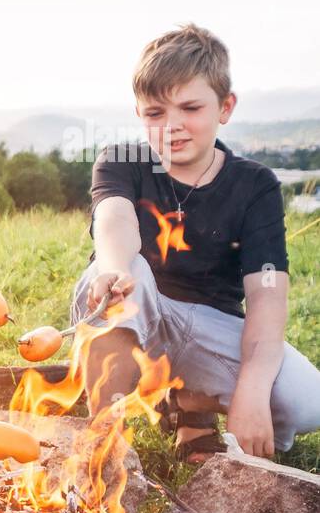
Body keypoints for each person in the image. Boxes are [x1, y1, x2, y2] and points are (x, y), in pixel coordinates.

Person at [72, 23, 320, 461]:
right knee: (131, 274)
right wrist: (114, 265)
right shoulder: (123, 160)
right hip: (137, 316)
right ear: (138, 114)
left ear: (225, 107)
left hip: (208, 328)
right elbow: (115, 217)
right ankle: (104, 439)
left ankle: (188, 405)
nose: (172, 126)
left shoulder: (254, 183)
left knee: (306, 402)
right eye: (155, 113)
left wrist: (253, 389)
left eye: (190, 108)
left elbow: (266, 297)